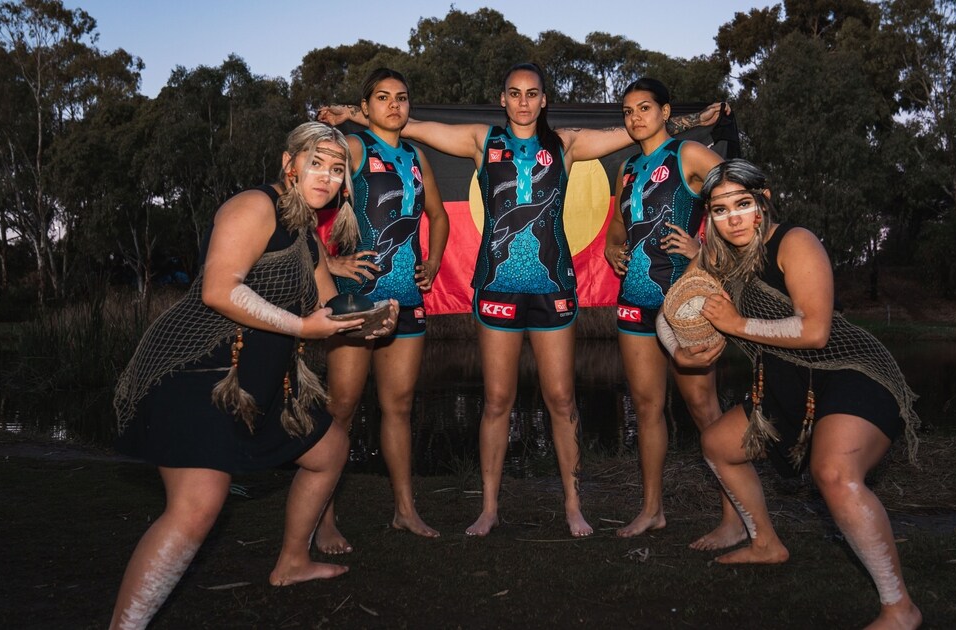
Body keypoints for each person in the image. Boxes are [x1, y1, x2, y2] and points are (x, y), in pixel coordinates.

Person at [320, 62, 721, 537]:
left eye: (533, 93)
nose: (524, 101)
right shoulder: (480, 141)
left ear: (544, 100)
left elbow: (633, 130)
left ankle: (574, 505)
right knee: (495, 402)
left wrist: (688, 124)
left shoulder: (566, 144)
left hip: (554, 290)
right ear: (503, 99)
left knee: (562, 398)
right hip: (495, 288)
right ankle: (489, 509)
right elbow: (409, 123)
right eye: (515, 93)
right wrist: (353, 116)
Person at [109, 122, 394, 629]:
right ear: (290, 163)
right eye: (317, 164)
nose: (327, 177)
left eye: (336, 169)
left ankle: (292, 563)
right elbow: (220, 289)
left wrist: (370, 322)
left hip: (260, 387)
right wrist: (305, 325)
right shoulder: (255, 206)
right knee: (197, 507)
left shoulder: (306, 234)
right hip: (201, 373)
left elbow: (329, 307)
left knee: (328, 451)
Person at [670, 159, 922, 629]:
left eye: (742, 204)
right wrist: (689, 355)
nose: (734, 218)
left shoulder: (795, 242)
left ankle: (900, 608)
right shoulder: (723, 262)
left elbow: (816, 331)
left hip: (850, 373)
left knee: (834, 472)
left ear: (764, 198)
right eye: (721, 210)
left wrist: (733, 324)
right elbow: (697, 327)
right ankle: (765, 542)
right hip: (785, 383)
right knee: (718, 445)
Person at [603, 78, 747, 548]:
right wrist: (612, 247)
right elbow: (618, 227)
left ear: (665, 111)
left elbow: (744, 200)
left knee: (704, 408)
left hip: (685, 305)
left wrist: (703, 247)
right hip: (634, 305)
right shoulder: (627, 167)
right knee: (646, 408)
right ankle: (652, 511)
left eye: (644, 108)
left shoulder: (687, 155)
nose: (635, 117)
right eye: (627, 111)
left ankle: (735, 518)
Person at [313, 68, 449, 554]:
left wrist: (432, 262)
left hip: (406, 304)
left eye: (402, 98)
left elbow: (439, 215)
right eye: (383, 98)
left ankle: (404, 511)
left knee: (398, 408)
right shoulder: (352, 148)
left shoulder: (415, 156)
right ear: (365, 106)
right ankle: (323, 518)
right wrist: (328, 261)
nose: (394, 105)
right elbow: (299, 196)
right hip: (356, 302)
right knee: (342, 410)